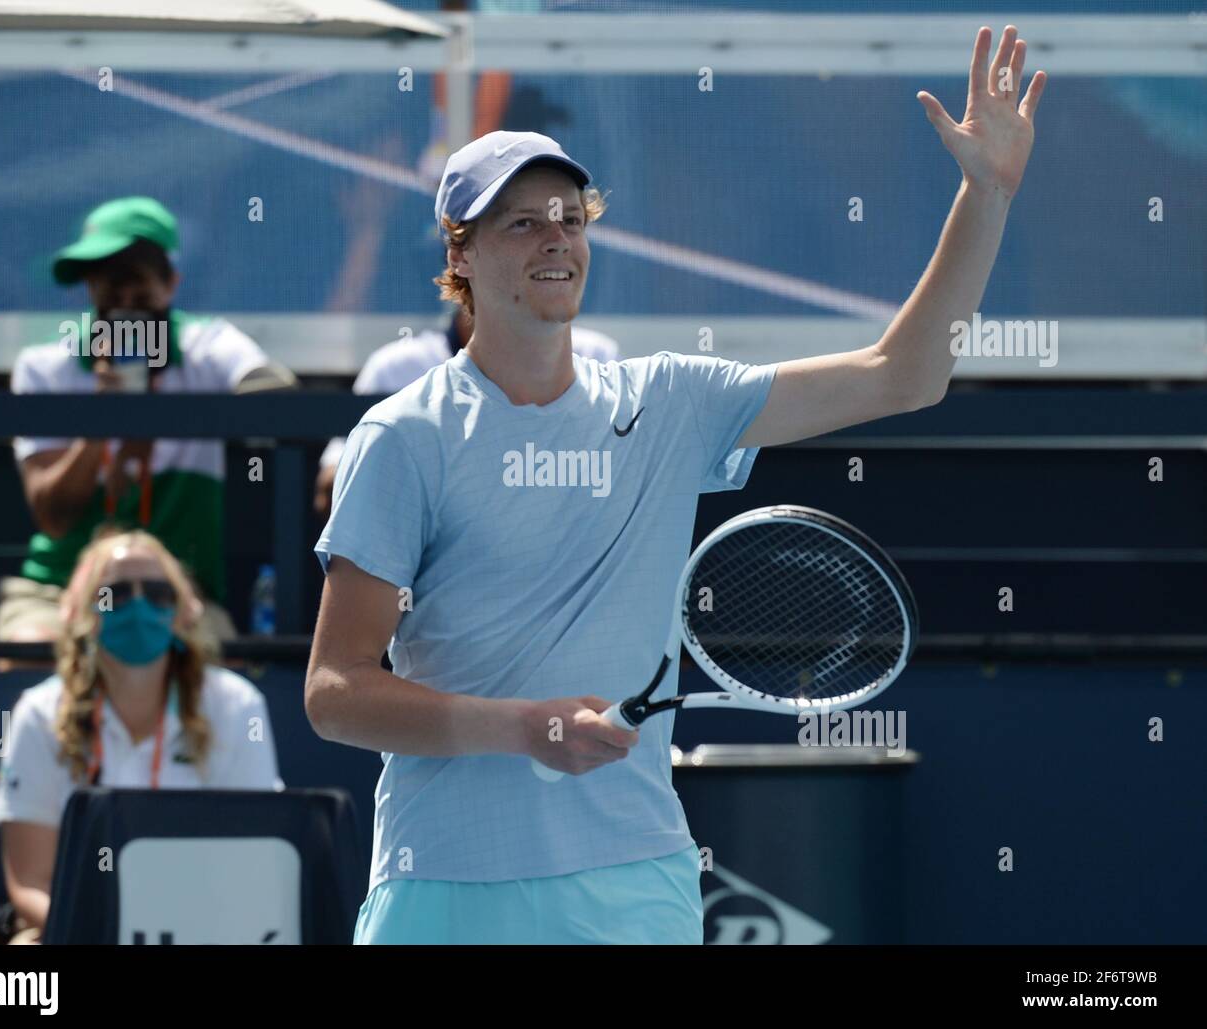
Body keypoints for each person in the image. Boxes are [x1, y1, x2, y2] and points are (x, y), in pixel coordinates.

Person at [306, 27, 1045, 944]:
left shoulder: (671, 400)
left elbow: (907, 373)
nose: (556, 239)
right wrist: (523, 728)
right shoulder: (403, 433)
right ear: (461, 254)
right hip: (440, 880)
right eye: (522, 221)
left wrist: (986, 194)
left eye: (571, 218)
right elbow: (336, 692)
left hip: (629, 882)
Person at [0, 197, 297, 657]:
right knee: (29, 655)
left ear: (171, 284)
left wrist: (175, 403)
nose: (124, 310)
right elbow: (52, 517)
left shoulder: (206, 345)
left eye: (138, 292)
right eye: (107, 291)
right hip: (57, 588)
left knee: (211, 678)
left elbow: (274, 393)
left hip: (177, 592)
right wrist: (100, 423)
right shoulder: (44, 368)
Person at [0, 528, 284, 944]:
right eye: (117, 593)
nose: (139, 605)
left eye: (159, 592)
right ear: (81, 612)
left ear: (185, 612)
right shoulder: (38, 714)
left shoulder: (237, 705)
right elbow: (30, 883)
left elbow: (255, 859)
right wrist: (109, 934)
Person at [313, 307, 619, 513]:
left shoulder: (598, 356)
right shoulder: (394, 366)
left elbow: (614, 482)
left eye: (572, 224)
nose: (555, 244)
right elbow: (332, 490)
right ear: (460, 261)